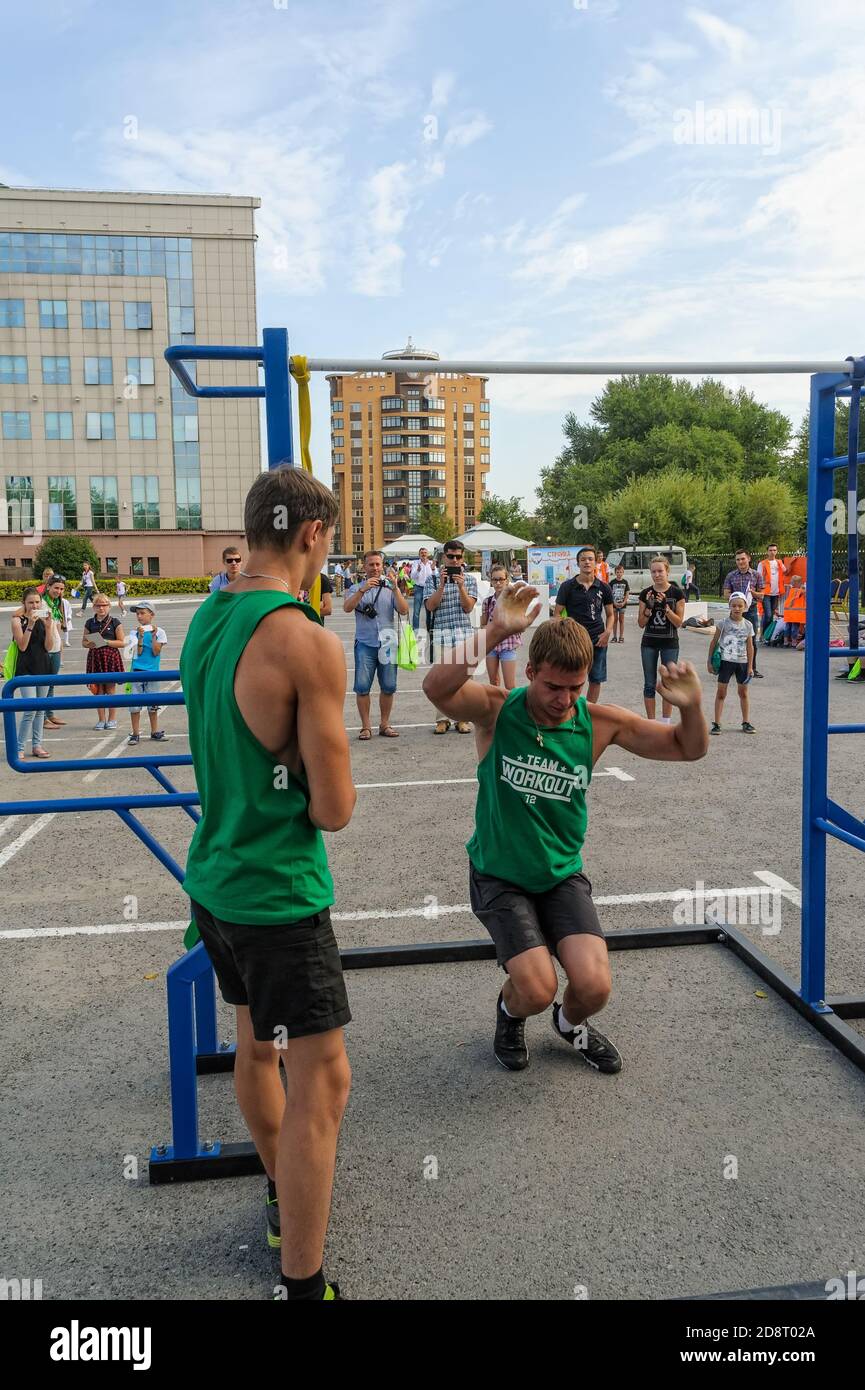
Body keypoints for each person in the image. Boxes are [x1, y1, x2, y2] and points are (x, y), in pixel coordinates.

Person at [181, 464, 354, 1303]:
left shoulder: (209, 612)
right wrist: (293, 756)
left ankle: (283, 1196)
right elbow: (334, 809)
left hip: (213, 877)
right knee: (323, 1075)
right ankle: (303, 1282)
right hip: (275, 891)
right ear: (312, 535)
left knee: (256, 1044)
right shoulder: (303, 641)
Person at [422, 586, 708, 1074]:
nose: (565, 700)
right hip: (500, 873)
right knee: (535, 987)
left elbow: (688, 748)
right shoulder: (497, 711)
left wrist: (691, 707)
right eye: (554, 687)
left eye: (575, 688)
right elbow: (436, 688)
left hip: (559, 874)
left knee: (594, 988)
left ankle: (568, 1024)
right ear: (531, 672)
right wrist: (494, 631)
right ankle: (510, 1013)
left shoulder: (598, 722)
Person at [344, 550, 409, 740]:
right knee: (362, 686)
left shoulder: (391, 588)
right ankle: (366, 727)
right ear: (364, 567)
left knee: (389, 686)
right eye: (371, 565)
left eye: (378, 564)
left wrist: (396, 588)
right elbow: (347, 608)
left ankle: (384, 724)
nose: (374, 568)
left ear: (383, 566)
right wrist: (363, 590)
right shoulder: (355, 587)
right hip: (365, 642)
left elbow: (404, 611)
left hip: (388, 642)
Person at [424, 538, 478, 734]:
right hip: (441, 634)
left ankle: (463, 718)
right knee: (441, 680)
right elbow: (430, 606)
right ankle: (442, 719)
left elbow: (468, 607)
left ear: (463, 558)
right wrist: (441, 586)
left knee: (466, 680)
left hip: (464, 635)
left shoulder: (470, 580)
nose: (455, 560)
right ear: (443, 557)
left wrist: (461, 587)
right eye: (451, 556)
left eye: (458, 557)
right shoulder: (431, 579)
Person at [553, 546, 614, 703]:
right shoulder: (567, 586)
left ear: (596, 563)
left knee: (596, 679)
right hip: (575, 640)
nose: (587, 562)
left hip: (598, 638)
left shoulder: (604, 587)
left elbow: (610, 615)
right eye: (583, 559)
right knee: (572, 678)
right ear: (578, 563)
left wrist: (607, 632)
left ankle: (588, 711)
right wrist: (566, 633)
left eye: (590, 559)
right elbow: (557, 614)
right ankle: (572, 708)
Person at [637, 557, 686, 723]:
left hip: (669, 644)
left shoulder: (676, 593)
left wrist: (666, 608)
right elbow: (641, 624)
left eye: (660, 571)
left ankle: (665, 723)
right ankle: (651, 723)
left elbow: (678, 623)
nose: (657, 575)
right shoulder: (646, 593)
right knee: (649, 684)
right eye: (653, 571)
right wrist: (648, 610)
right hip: (649, 643)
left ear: (667, 572)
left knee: (668, 684)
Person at [11, 587, 56, 760]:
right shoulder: (17, 620)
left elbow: (49, 647)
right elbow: (22, 646)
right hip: (25, 669)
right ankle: (19, 746)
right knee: (30, 709)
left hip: (43, 667)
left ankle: (37, 745)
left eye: (37, 602)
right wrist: (29, 623)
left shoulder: (43, 619)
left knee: (40, 710)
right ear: (24, 603)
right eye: (31, 602)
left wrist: (49, 626)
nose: (34, 605)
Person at [708, 593, 756, 734]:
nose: (737, 608)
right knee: (721, 693)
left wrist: (750, 666)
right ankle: (717, 723)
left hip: (742, 662)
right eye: (734, 605)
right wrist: (709, 661)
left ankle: (746, 721)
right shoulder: (723, 623)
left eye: (740, 605)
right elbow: (714, 642)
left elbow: (750, 646)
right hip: (726, 662)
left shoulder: (748, 625)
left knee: (743, 693)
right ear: (729, 606)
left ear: (745, 607)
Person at [83, 594, 126, 730]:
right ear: (93, 607)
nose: (101, 608)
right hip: (95, 657)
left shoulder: (115, 622)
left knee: (110, 688)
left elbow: (122, 642)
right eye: (98, 605)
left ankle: (112, 719)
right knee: (98, 690)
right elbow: (84, 642)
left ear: (109, 606)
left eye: (104, 605)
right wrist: (92, 643)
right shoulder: (90, 622)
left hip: (110, 656)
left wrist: (106, 642)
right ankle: (101, 719)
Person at [126, 600, 167, 745]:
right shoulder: (133, 632)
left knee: (153, 704)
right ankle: (135, 733)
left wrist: (154, 635)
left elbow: (156, 652)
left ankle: (154, 731)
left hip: (153, 671)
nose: (139, 616)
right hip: (137, 670)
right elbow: (137, 652)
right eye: (137, 614)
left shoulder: (160, 632)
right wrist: (141, 637)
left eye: (142, 613)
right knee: (135, 705)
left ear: (151, 615)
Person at [723, 550, 764, 678]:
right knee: (732, 638)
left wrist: (753, 592)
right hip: (735, 612)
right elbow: (726, 594)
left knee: (751, 641)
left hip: (751, 610)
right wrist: (738, 597)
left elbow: (762, 595)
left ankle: (752, 668)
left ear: (748, 559)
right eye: (738, 560)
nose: (740, 562)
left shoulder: (756, 575)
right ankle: (730, 667)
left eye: (743, 559)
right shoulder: (731, 575)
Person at [481, 564, 522, 690]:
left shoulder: (514, 600)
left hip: (508, 645)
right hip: (491, 646)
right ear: (491, 581)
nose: (498, 583)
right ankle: (497, 709)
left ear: (507, 580)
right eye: (495, 579)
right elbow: (483, 624)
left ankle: (511, 709)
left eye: (501, 579)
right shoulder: (487, 602)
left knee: (510, 685)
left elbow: (520, 624)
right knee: (494, 683)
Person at [42, 576, 68, 729]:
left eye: (61, 589)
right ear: (48, 586)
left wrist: (61, 648)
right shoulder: (42, 602)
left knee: (51, 684)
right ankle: (43, 718)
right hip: (44, 649)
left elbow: (57, 628)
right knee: (43, 685)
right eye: (56, 588)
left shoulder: (57, 604)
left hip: (56, 648)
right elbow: (19, 613)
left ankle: (50, 714)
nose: (58, 591)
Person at [757, 544, 788, 640]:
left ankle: (766, 635)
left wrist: (792, 561)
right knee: (768, 615)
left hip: (776, 593)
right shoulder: (762, 563)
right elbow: (759, 577)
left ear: (777, 551)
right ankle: (763, 635)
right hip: (766, 592)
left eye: (774, 550)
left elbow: (786, 571)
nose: (772, 552)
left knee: (769, 615)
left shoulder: (779, 562)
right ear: (767, 551)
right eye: (770, 550)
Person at [409, 548, 436, 630]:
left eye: (425, 552)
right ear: (419, 554)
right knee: (416, 610)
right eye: (422, 553)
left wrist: (433, 569)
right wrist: (417, 571)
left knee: (429, 610)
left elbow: (435, 577)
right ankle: (415, 629)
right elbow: (412, 577)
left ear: (428, 554)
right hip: (418, 588)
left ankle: (429, 629)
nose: (423, 554)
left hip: (429, 588)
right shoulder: (415, 563)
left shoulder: (431, 563)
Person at [783, 574, 806, 650]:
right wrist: (804, 588)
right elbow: (804, 593)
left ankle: (785, 642)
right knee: (794, 629)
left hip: (788, 613)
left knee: (787, 627)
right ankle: (794, 642)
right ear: (798, 583)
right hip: (795, 614)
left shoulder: (791, 590)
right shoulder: (798, 590)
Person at [609, 564, 630, 643]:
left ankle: (621, 637)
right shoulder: (612, 582)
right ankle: (614, 637)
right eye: (617, 572)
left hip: (622, 604)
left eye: (621, 572)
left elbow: (627, 593)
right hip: (614, 604)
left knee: (621, 620)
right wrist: (613, 602)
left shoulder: (625, 582)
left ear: (623, 572)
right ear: (615, 573)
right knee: (614, 620)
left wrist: (624, 602)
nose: (619, 573)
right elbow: (610, 593)